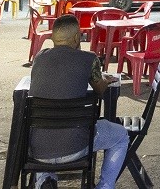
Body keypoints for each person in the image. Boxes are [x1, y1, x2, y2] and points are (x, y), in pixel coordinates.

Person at [28, 16, 129, 189]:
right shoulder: (89, 59)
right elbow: (99, 90)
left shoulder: (40, 58)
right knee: (120, 136)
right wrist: (103, 80)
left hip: (38, 151)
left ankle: (45, 179)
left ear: (53, 38)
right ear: (77, 38)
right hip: (77, 146)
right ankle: (105, 187)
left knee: (47, 130)